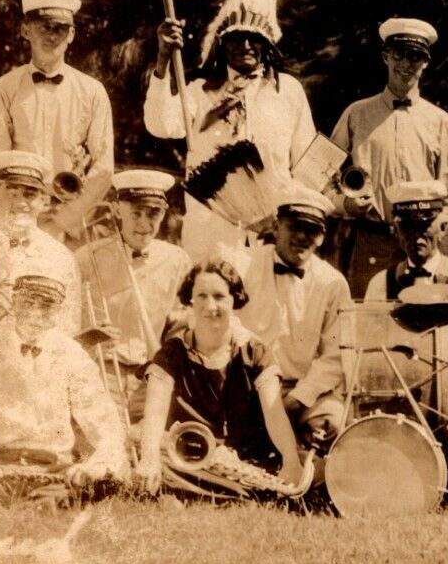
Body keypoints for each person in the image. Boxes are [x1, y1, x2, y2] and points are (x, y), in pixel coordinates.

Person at [145, 0, 316, 261]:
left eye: (255, 38)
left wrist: (292, 217)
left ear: (268, 44)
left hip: (275, 231)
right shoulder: (200, 91)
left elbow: (307, 166)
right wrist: (162, 58)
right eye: (236, 37)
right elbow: (162, 125)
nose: (246, 45)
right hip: (213, 232)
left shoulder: (287, 91)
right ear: (222, 43)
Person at [0, 268, 126, 489]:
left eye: (47, 305)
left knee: (60, 503)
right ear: (13, 303)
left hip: (54, 472)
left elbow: (106, 423)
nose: (35, 314)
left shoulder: (71, 354)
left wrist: (95, 466)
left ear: (59, 311)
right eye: (28, 303)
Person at [135, 260, 307, 494]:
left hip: (246, 458)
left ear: (234, 299)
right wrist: (149, 458)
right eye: (201, 296)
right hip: (190, 455)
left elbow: (275, 415)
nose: (210, 306)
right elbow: (154, 414)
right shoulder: (172, 353)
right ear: (190, 300)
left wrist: (290, 460)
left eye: (219, 296)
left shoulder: (255, 352)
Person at [329, 17, 448, 296]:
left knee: (425, 325)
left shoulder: (439, 120)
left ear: (425, 62)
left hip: (424, 242)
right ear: (385, 56)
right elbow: (318, 171)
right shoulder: (357, 114)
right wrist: (345, 203)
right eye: (399, 54)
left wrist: (447, 251)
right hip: (373, 238)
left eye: (415, 56)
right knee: (369, 323)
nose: (406, 64)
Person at [362, 180, 448, 447]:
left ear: (442, 226)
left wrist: (446, 411)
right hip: (394, 413)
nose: (415, 235)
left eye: (423, 225)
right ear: (396, 229)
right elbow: (370, 358)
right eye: (406, 226)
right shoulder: (381, 283)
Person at [0, 0, 114, 243]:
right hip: (16, 217)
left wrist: (64, 219)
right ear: (25, 30)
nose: (51, 36)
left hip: (73, 224)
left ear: (71, 35)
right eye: (43, 27)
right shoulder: (2, 89)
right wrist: (18, 216)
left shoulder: (92, 91)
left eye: (60, 29)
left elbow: (103, 167)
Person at [71, 168, 193, 422]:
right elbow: (66, 328)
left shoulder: (177, 260)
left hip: (151, 377)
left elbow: (183, 324)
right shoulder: (86, 258)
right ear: (117, 211)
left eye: (153, 214)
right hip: (101, 373)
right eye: (135, 213)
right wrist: (90, 336)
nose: (144, 225)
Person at [236, 185, 352, 446]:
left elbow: (336, 355)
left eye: (311, 230)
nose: (301, 236)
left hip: (299, 390)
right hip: (246, 386)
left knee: (331, 424)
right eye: (294, 227)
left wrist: (298, 399)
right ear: (276, 228)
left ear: (322, 237)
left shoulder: (332, 283)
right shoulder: (243, 264)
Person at [0, 150, 82, 343]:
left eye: (29, 195)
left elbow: (69, 328)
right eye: (12, 194)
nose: (21, 203)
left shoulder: (61, 257)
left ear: (42, 201)